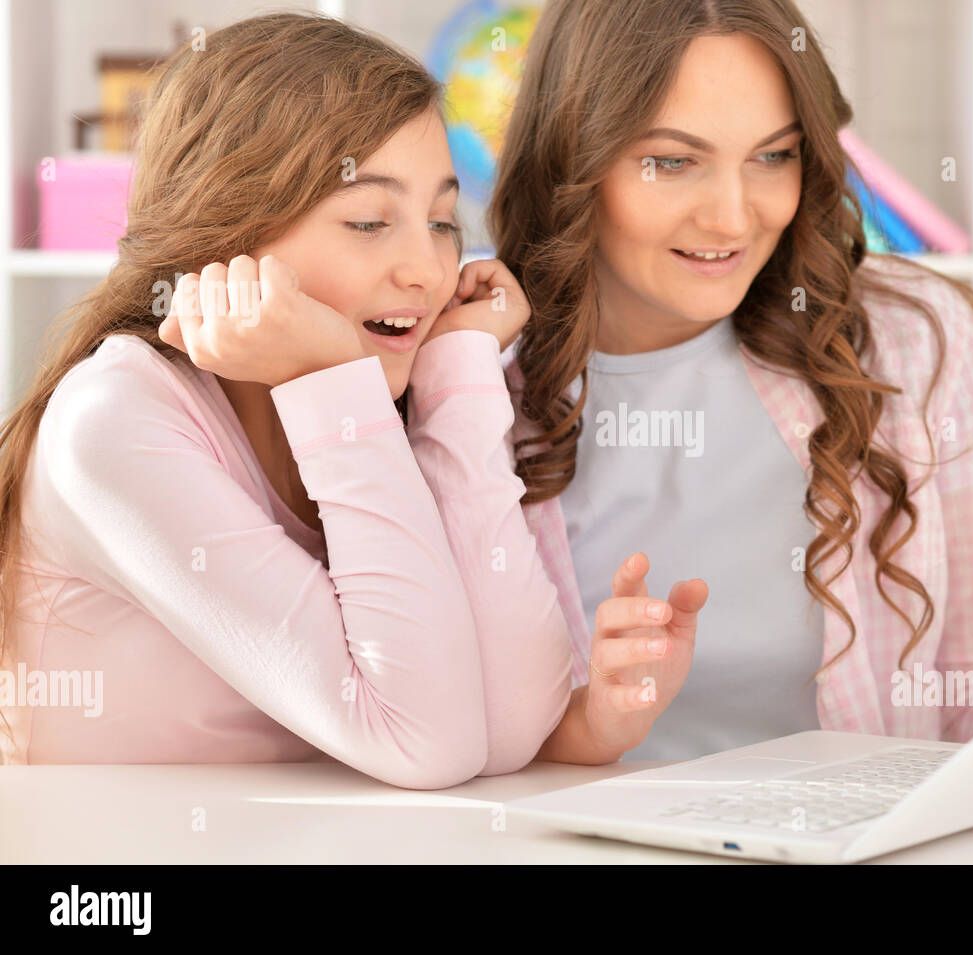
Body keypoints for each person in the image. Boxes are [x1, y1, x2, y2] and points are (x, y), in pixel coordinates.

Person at [491, 0, 973, 762]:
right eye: (672, 160)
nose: (733, 217)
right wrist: (587, 729)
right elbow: (454, 735)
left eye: (774, 155)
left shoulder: (913, 342)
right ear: (570, 158)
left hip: (862, 835)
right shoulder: (472, 376)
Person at [0, 13, 588, 788]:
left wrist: (458, 372)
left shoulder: (387, 401)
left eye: (444, 222)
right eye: (369, 222)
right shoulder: (112, 422)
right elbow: (428, 741)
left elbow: (510, 724)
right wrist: (333, 381)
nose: (427, 269)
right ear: (228, 235)